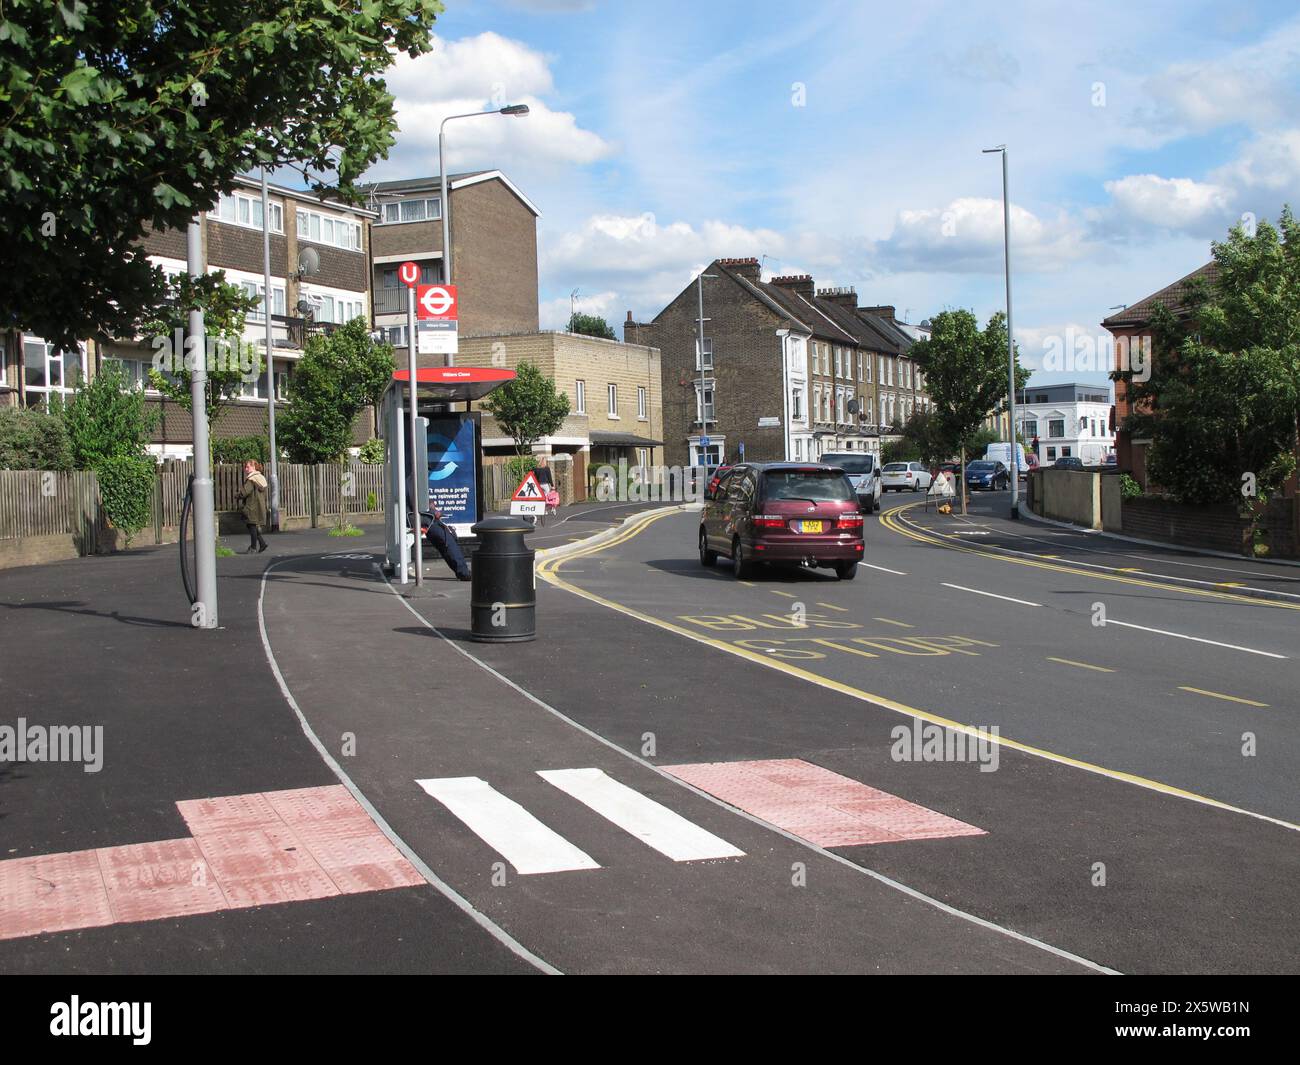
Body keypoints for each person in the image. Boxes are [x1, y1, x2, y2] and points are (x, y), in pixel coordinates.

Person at [407, 472, 470, 581]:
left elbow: (425, 500)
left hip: (423, 518)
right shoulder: (413, 480)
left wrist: (433, 509)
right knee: (446, 537)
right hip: (420, 519)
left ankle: (462, 571)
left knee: (445, 538)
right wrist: (434, 511)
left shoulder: (411, 480)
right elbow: (418, 503)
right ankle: (463, 572)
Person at [238, 460, 269, 553]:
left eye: (248, 467)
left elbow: (245, 492)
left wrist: (237, 495)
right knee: (253, 526)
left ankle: (253, 547)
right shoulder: (261, 478)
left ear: (254, 467)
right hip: (259, 506)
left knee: (251, 526)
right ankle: (262, 544)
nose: (246, 469)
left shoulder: (251, 479)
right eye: (245, 467)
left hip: (251, 506)